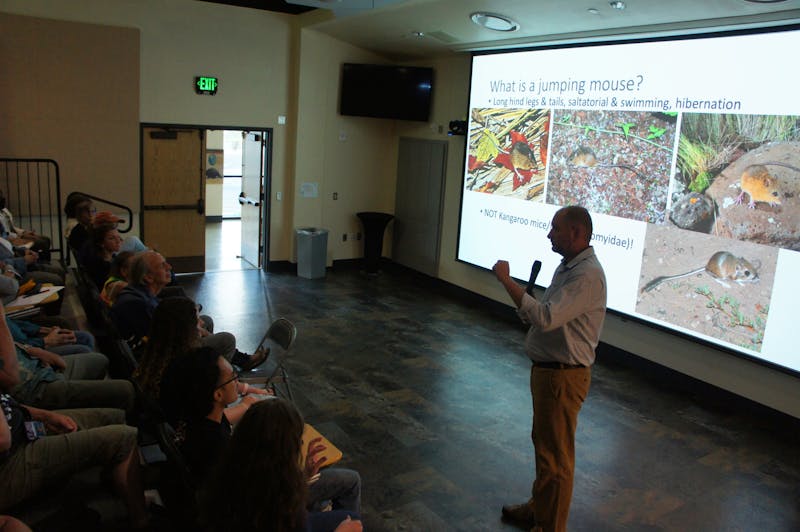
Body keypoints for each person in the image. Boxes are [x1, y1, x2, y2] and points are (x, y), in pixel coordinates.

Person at [493, 206, 607, 532]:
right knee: (545, 448)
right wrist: (524, 303)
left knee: (556, 459)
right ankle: (539, 510)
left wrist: (506, 281)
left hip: (563, 377)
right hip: (550, 373)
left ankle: (550, 526)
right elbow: (543, 315)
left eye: (555, 228)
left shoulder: (586, 276)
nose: (549, 234)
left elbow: (545, 317)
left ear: (576, 232)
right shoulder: (568, 267)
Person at [198, 395, 362, 532]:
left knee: (349, 481)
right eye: (298, 441)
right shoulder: (278, 507)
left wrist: (305, 475)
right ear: (285, 452)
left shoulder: (233, 468)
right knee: (353, 519)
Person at [112, 251, 267, 370]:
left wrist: (195, 325)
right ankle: (220, 384)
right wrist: (194, 329)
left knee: (206, 320)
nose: (169, 268)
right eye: (162, 266)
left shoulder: (140, 294)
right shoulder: (138, 304)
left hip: (162, 346)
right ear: (148, 278)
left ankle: (225, 363)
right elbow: (164, 340)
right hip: (164, 358)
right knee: (226, 339)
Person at [136, 298, 270, 424]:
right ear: (185, 329)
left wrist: (251, 390)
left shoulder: (160, 356)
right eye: (197, 319)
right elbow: (207, 424)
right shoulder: (187, 368)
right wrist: (245, 405)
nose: (202, 323)